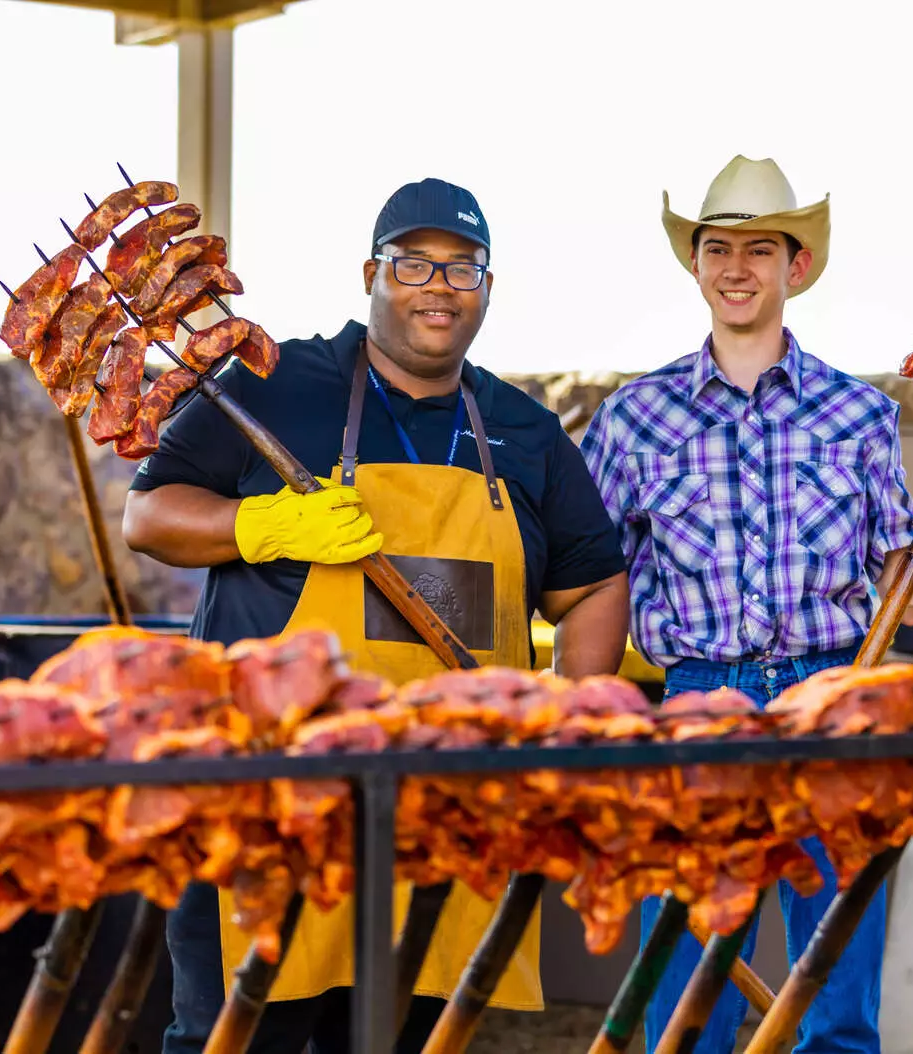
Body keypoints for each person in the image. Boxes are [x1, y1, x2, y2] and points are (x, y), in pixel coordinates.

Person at [124, 177, 631, 1054]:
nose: (439, 286)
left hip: (444, 816)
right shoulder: (266, 390)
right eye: (414, 264)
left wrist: (564, 723)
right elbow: (150, 515)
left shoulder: (525, 431)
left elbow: (592, 588)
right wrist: (261, 524)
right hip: (269, 799)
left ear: (487, 289)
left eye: (462, 268)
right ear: (371, 272)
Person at [578, 155, 913, 1054]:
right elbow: (590, 584)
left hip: (834, 696)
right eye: (719, 248)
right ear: (694, 265)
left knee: (838, 984)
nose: (738, 267)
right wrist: (592, 719)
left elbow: (908, 600)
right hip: (699, 701)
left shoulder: (858, 416)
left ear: (796, 268)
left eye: (762, 249)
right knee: (691, 984)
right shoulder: (631, 419)